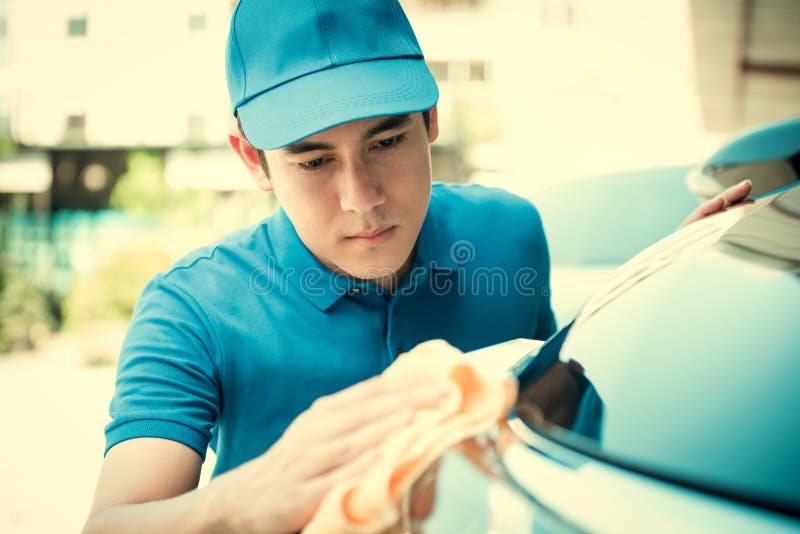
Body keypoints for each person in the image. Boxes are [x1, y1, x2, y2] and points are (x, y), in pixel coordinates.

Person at [82, 2, 750, 533]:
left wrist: (648, 298)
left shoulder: (509, 233)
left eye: (387, 140)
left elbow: (536, 403)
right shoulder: (192, 308)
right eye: (313, 161)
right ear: (252, 160)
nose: (362, 198)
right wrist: (249, 500)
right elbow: (112, 525)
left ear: (431, 120)